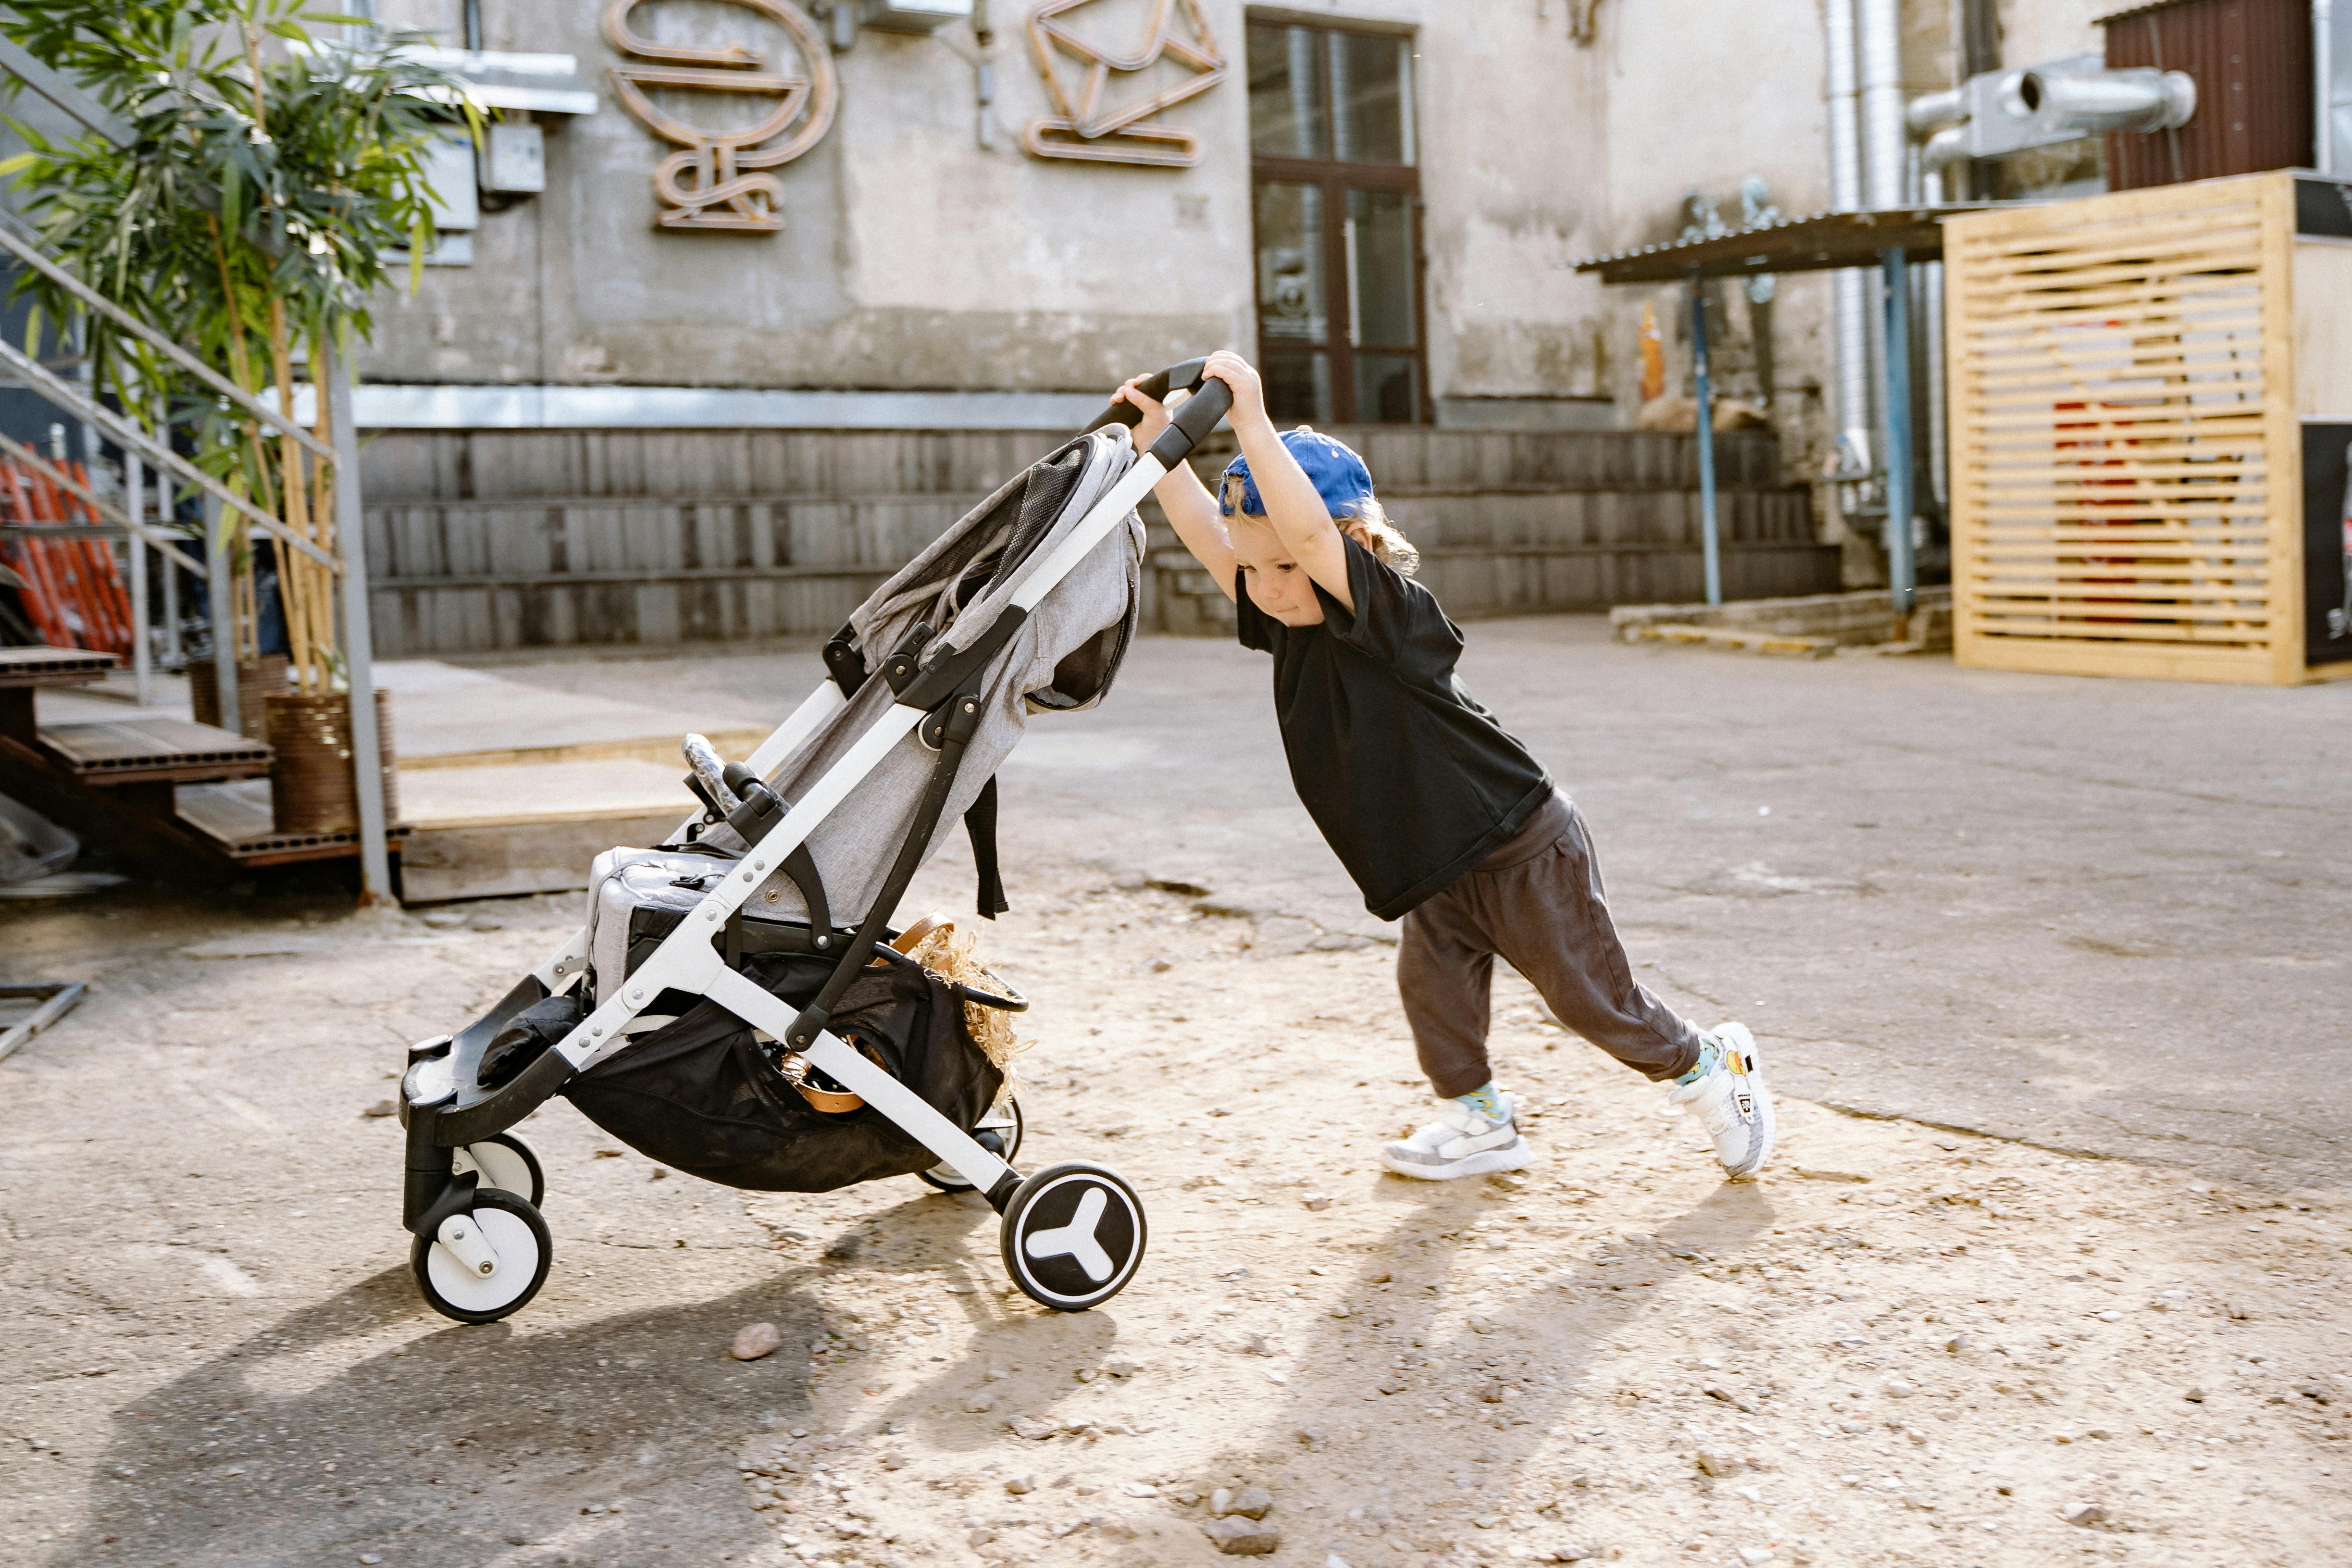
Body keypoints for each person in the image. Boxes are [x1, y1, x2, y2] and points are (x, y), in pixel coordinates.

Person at [1112, 350, 1774, 1181]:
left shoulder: (1388, 611)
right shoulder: (1286, 618)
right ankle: (1481, 1123)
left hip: (1517, 841)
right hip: (1435, 856)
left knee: (1588, 1000)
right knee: (1435, 999)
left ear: (1352, 543)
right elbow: (1215, 540)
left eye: (1282, 567)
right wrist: (1160, 444)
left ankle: (1709, 1066)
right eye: (1255, 570)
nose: (1265, 587)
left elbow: (1309, 535)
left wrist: (1250, 420)